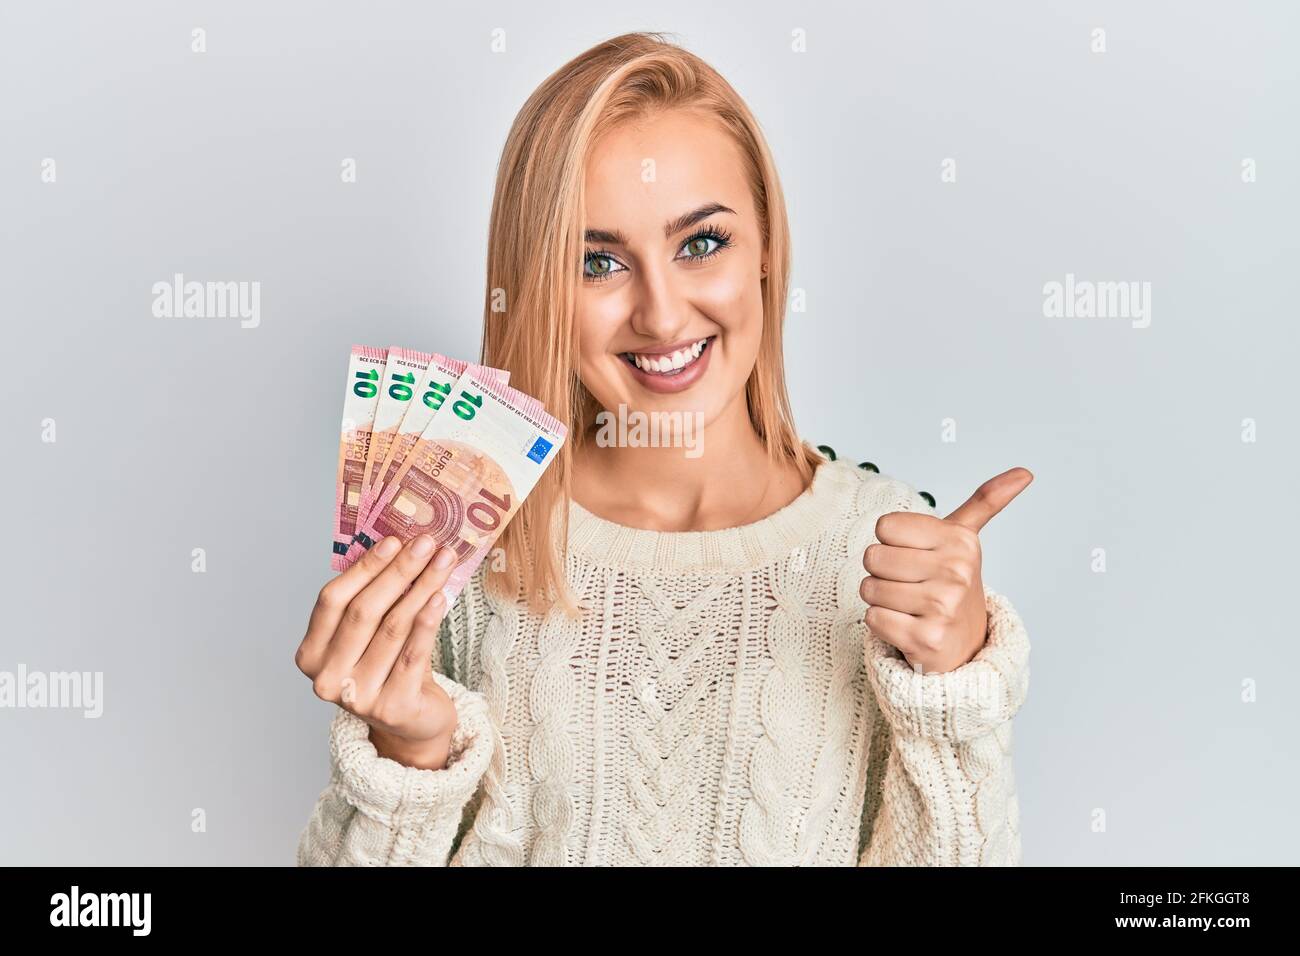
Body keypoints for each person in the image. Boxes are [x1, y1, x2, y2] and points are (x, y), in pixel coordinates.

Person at [295, 31, 1033, 866]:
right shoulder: (459, 556)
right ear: (539, 284)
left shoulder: (891, 551)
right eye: (599, 261)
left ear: (765, 253)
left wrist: (955, 697)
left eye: (701, 244)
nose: (662, 315)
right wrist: (408, 760)